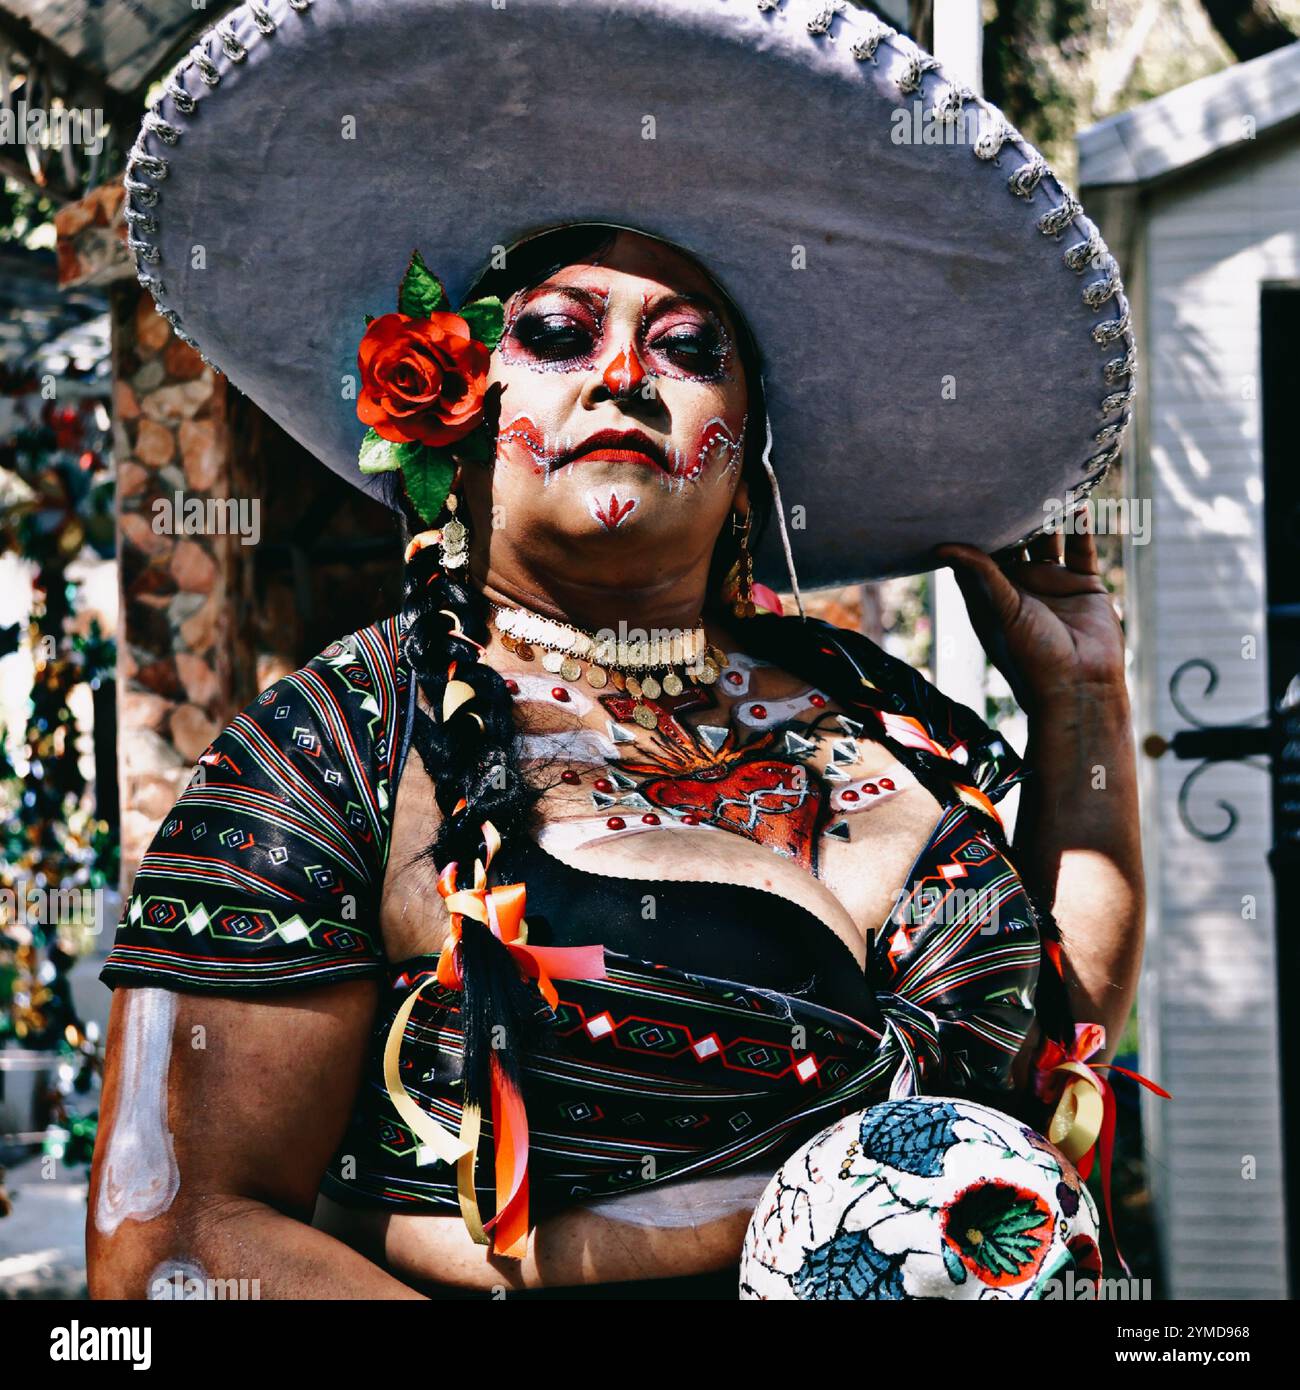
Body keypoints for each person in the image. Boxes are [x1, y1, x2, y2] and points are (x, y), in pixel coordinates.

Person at [87, 0, 1145, 1300]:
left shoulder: (885, 726)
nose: (627, 370)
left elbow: (1052, 1043)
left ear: (748, 454)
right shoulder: (332, 748)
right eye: (556, 331)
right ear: (460, 413)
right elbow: (170, 1241)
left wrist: (1082, 692)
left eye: (691, 348)